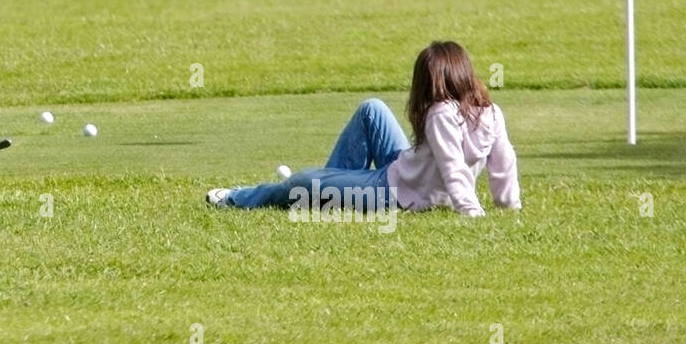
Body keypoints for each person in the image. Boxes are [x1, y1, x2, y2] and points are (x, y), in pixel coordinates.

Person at [207, 41, 522, 217]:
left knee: (299, 182)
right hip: (410, 173)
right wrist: (509, 206)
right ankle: (323, 194)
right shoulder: (492, 112)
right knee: (372, 109)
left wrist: (471, 211)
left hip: (396, 193)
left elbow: (453, 168)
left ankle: (237, 198)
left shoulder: (439, 112)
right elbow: (504, 164)